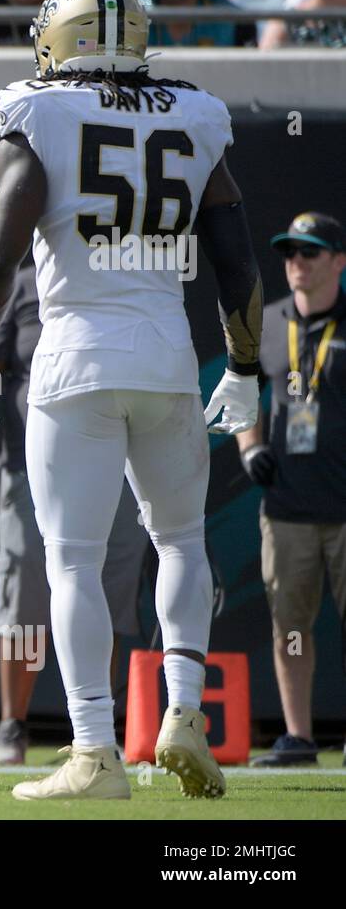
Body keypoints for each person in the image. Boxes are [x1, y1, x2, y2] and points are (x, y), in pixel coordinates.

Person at [0, 0, 263, 801]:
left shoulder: (38, 108)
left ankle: (94, 750)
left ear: (60, 34)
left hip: (76, 356)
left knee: (74, 561)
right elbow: (235, 257)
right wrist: (246, 363)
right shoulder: (194, 112)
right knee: (182, 541)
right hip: (166, 356)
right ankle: (184, 712)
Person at [0, 262, 149, 766]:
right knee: (27, 594)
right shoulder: (19, 283)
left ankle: (101, 728)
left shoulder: (129, 274)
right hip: (34, 465)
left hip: (115, 461)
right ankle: (13, 727)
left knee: (109, 593)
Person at [235, 212, 346, 767]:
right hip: (287, 507)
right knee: (290, 626)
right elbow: (242, 393)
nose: (296, 263)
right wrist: (251, 446)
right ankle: (299, 738)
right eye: (289, 253)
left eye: (310, 252)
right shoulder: (269, 320)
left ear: (338, 261)